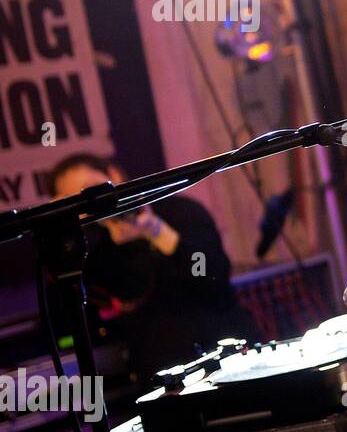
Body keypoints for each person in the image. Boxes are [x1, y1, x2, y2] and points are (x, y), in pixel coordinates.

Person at [49, 153, 260, 383]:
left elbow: (213, 274)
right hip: (162, 373)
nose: (88, 203)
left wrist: (157, 234)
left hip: (225, 354)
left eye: (90, 190)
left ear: (113, 175)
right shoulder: (95, 249)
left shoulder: (179, 211)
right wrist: (65, 233)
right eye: (74, 200)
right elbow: (72, 313)